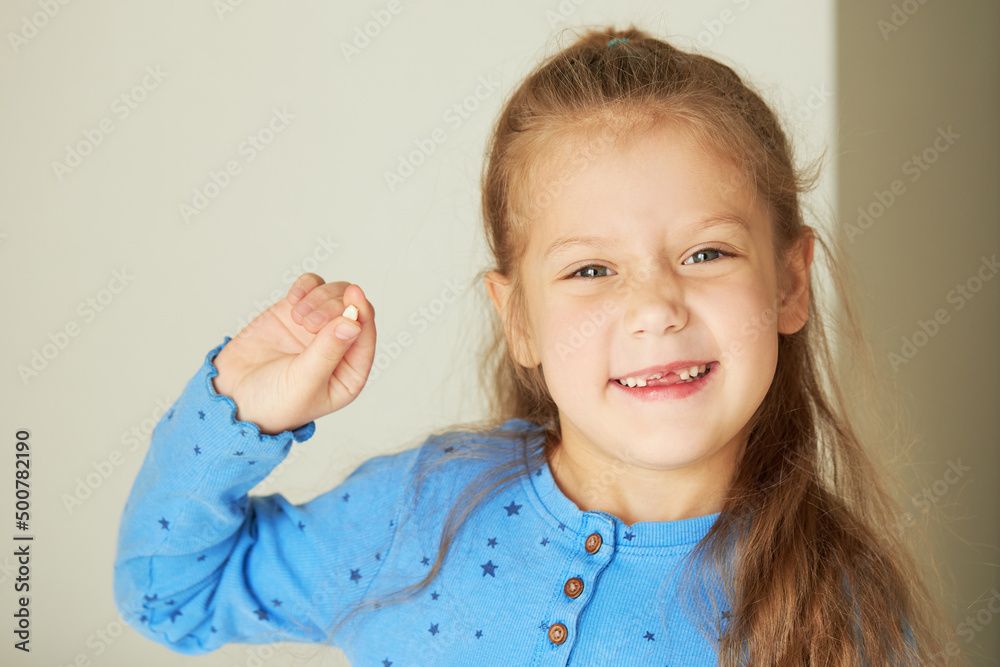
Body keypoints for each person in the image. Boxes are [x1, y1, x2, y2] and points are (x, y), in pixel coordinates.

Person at [114, 26, 957, 665]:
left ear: (788, 282)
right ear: (518, 319)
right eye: (591, 268)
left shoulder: (845, 613)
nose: (655, 306)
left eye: (706, 253)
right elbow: (166, 593)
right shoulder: (420, 508)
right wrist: (235, 411)